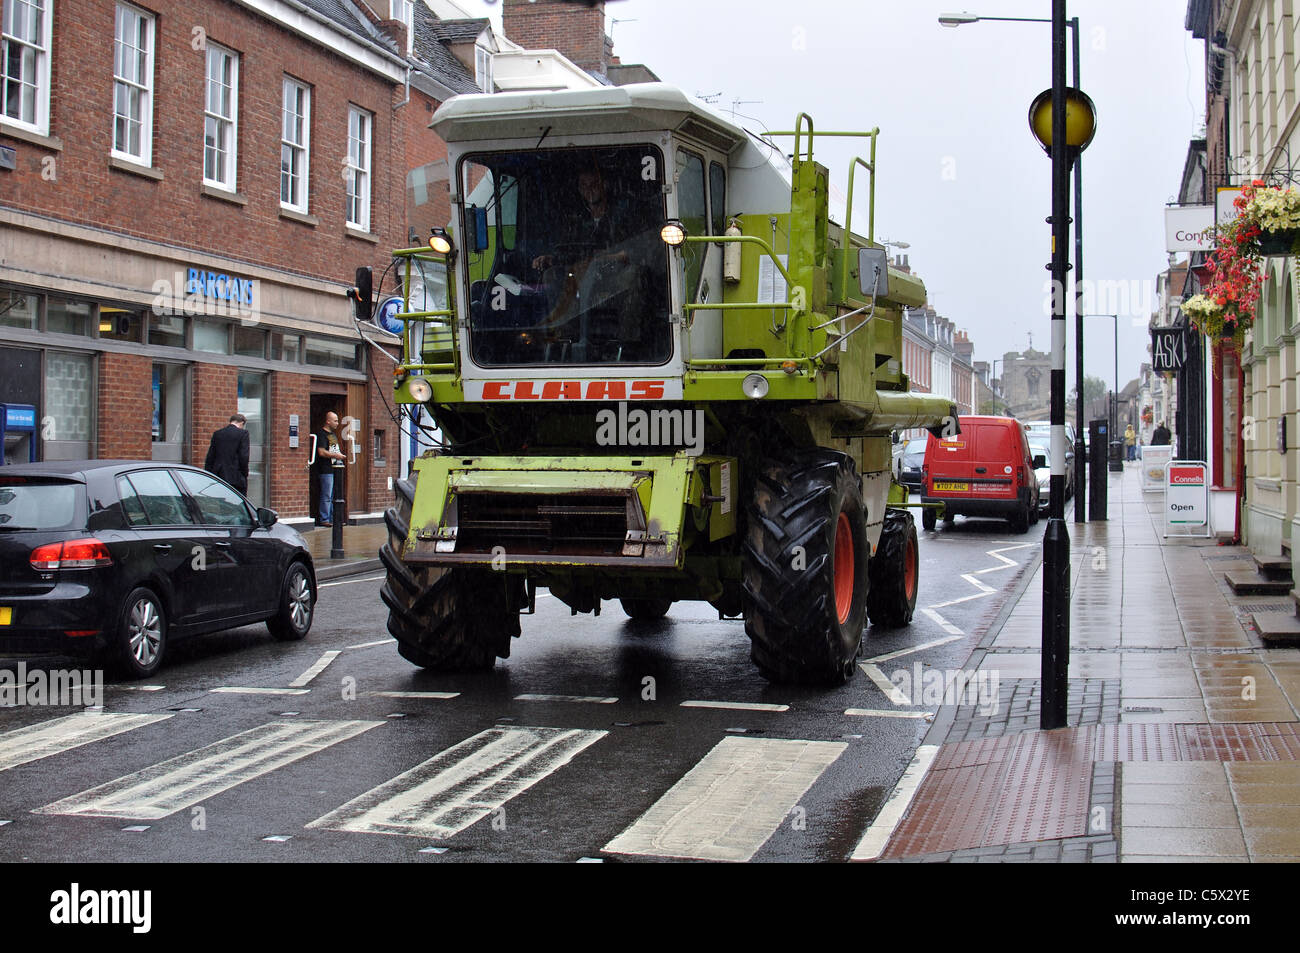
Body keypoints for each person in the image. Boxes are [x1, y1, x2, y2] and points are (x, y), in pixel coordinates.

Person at [313, 411, 347, 526]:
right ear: (328, 421)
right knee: (327, 495)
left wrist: (339, 455)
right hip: (325, 469)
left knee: (333, 495)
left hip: (334, 469)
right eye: (335, 420)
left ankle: (333, 519)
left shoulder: (332, 435)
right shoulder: (322, 434)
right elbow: (321, 452)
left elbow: (333, 450)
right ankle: (325, 519)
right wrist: (336, 456)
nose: (337, 423)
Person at [203, 413, 250, 494]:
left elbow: (210, 456)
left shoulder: (217, 434)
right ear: (242, 423)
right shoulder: (243, 434)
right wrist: (244, 474)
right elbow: (244, 456)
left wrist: (209, 474)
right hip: (236, 476)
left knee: (222, 503)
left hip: (219, 476)